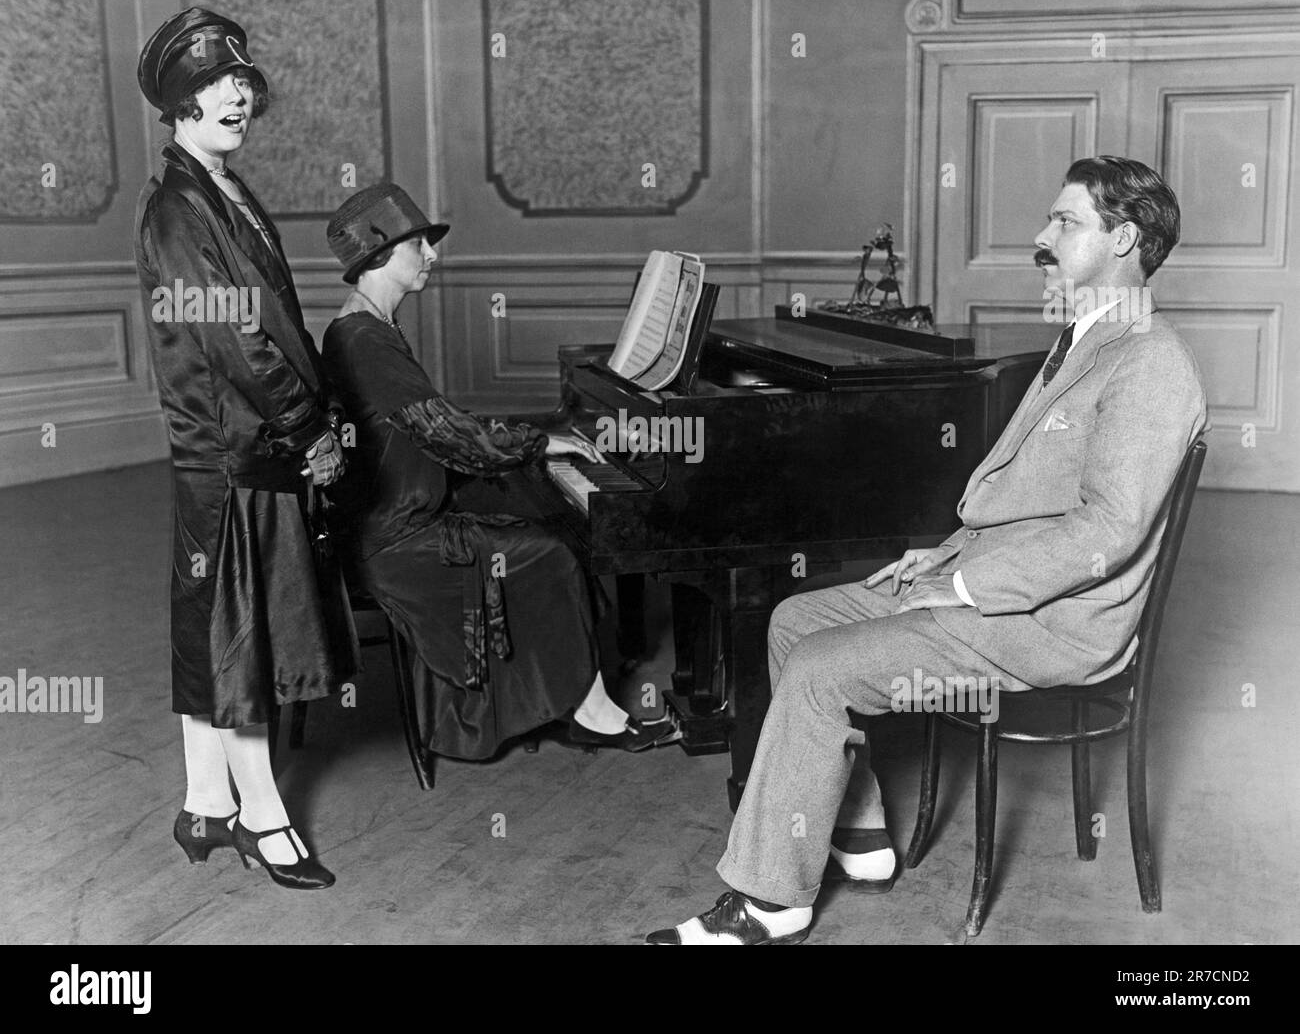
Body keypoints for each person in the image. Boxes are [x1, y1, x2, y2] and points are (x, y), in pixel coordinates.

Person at [647, 156, 1208, 943]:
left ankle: (771, 902)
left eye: (1064, 221)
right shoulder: (1088, 336)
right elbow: (1027, 502)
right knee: (794, 621)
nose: (1041, 237)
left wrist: (969, 585)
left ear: (1124, 240)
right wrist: (944, 559)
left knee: (820, 668)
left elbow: (1105, 532)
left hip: (1059, 622)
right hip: (1000, 584)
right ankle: (860, 830)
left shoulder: (1149, 359)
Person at [319, 183, 679, 760]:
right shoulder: (363, 339)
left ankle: (564, 688)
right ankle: (592, 713)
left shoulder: (366, 325)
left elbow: (435, 424)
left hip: (401, 514)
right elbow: (447, 433)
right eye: (419, 245)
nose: (432, 255)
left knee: (547, 517)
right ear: (380, 254)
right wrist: (542, 441)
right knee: (552, 553)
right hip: (397, 541)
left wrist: (537, 442)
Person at [133, 7, 351, 890]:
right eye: (212, 83)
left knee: (214, 627)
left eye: (242, 81)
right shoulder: (178, 207)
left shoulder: (222, 189)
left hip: (244, 447)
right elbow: (236, 341)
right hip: (229, 454)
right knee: (239, 641)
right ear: (178, 102)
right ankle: (263, 817)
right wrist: (309, 426)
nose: (235, 96)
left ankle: (203, 805)